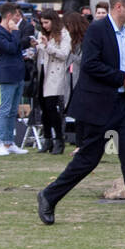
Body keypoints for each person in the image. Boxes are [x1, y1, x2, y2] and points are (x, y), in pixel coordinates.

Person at [38, 0, 125, 227]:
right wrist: (121, 77)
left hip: (122, 105)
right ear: (119, 7)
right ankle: (49, 195)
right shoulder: (97, 29)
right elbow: (91, 65)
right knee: (88, 159)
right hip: (98, 106)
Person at [0, 4, 30, 156]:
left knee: (13, 110)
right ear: (8, 17)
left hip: (18, 73)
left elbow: (17, 47)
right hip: (7, 74)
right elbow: (11, 48)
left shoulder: (11, 32)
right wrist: (15, 32)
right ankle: (0, 142)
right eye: (15, 17)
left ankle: (9, 141)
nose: (17, 20)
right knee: (5, 110)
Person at [36, 9, 71, 154]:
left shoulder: (64, 34)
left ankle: (59, 139)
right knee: (43, 108)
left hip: (55, 74)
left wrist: (48, 47)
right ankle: (47, 138)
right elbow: (40, 51)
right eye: (42, 23)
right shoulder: (42, 34)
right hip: (42, 72)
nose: (44, 26)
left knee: (52, 108)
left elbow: (64, 54)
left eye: (46, 22)